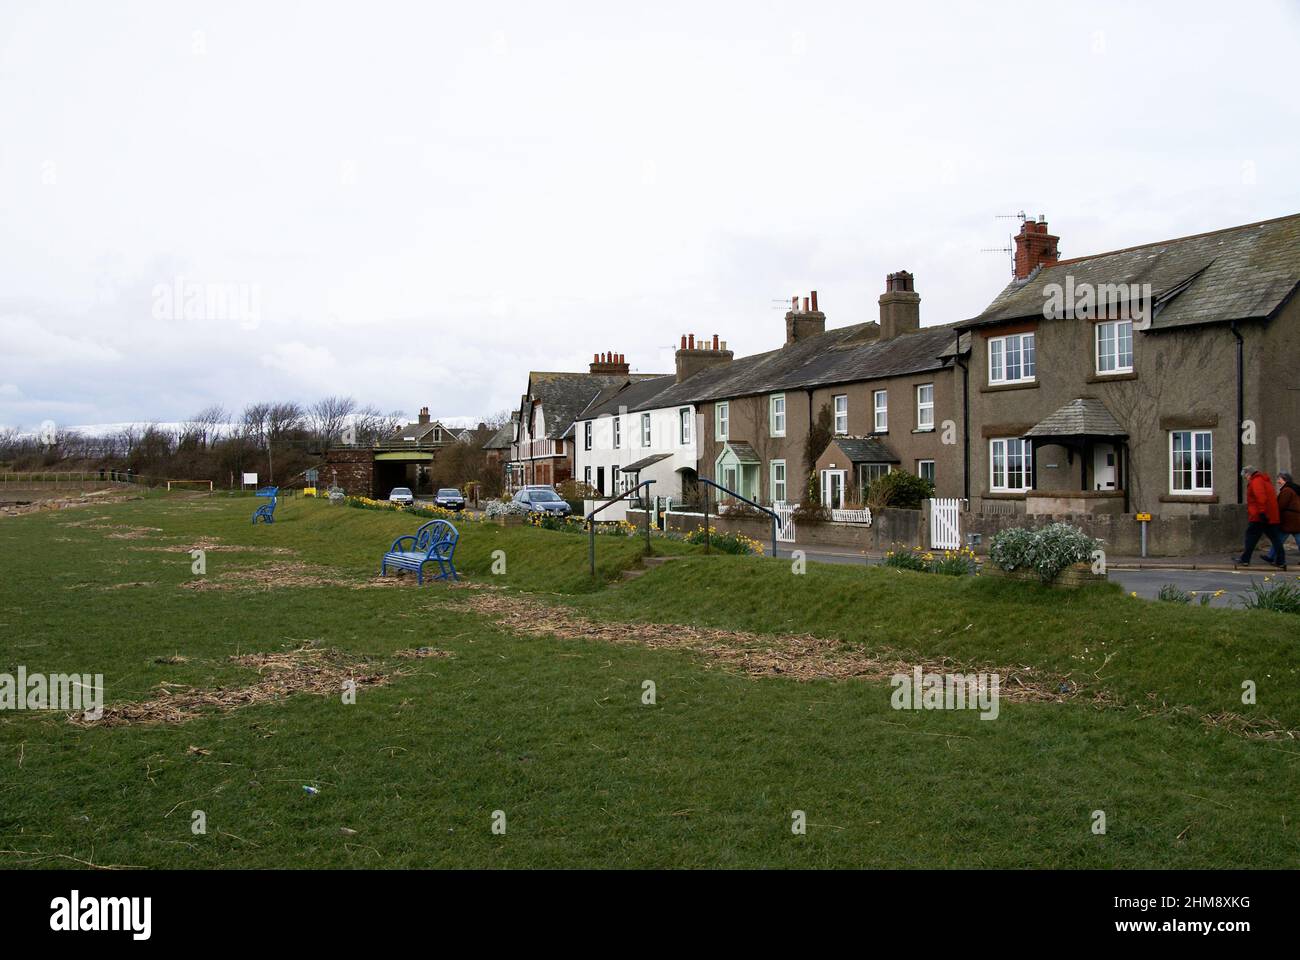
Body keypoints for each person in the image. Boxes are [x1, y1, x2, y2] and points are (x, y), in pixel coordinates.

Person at [1238, 466, 1286, 570]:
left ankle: (1245, 559)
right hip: (1270, 515)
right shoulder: (1264, 481)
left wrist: (1262, 513)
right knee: (1275, 538)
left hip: (1260, 516)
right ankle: (1281, 561)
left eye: (1245, 475)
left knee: (1251, 537)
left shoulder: (1256, 481)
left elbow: (1261, 497)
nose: (1245, 478)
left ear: (1248, 473)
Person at [1264, 470, 1300, 564]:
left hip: (1289, 520)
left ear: (1285, 480)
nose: (1278, 481)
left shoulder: (1287, 490)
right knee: (1285, 538)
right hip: (1295, 519)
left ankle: (1271, 556)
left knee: (1279, 539)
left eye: (1279, 479)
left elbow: (1281, 505)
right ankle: (1270, 556)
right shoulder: (1294, 488)